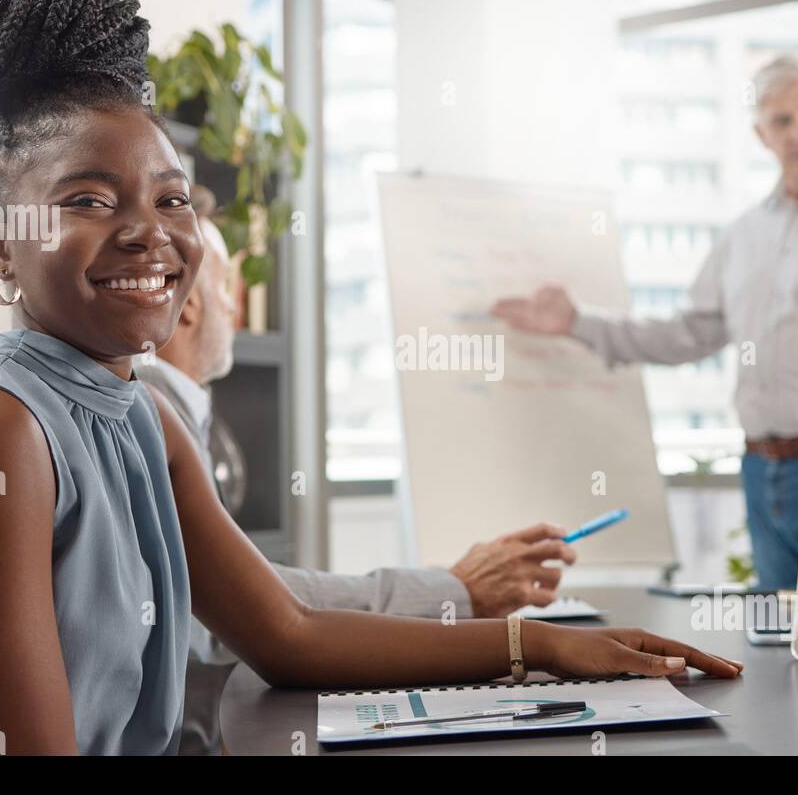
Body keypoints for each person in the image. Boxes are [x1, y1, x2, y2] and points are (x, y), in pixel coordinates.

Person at [0, 0, 741, 756]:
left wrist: (541, 645)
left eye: (172, 200)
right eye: (87, 198)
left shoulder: (141, 417)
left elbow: (288, 633)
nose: (149, 233)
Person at [492, 53, 798, 590]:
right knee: (783, 645)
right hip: (762, 475)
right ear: (761, 134)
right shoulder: (744, 235)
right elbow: (689, 333)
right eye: (782, 120)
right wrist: (576, 321)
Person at [137, 188, 582, 754]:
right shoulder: (147, 419)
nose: (236, 308)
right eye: (226, 286)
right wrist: (456, 595)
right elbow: (260, 609)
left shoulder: (179, 416)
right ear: (191, 305)